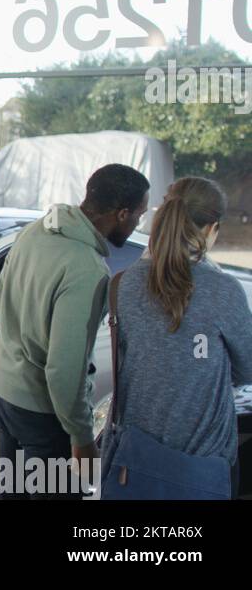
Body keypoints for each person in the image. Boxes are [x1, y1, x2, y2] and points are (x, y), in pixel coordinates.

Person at [0, 163, 150, 499]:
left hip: (4, 396)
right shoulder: (87, 270)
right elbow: (64, 370)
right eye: (138, 215)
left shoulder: (35, 232)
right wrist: (81, 437)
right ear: (122, 213)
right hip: (45, 416)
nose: (138, 224)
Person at [103, 177, 252, 498]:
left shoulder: (124, 285)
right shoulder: (223, 290)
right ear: (211, 228)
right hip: (204, 468)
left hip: (136, 465)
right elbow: (248, 370)